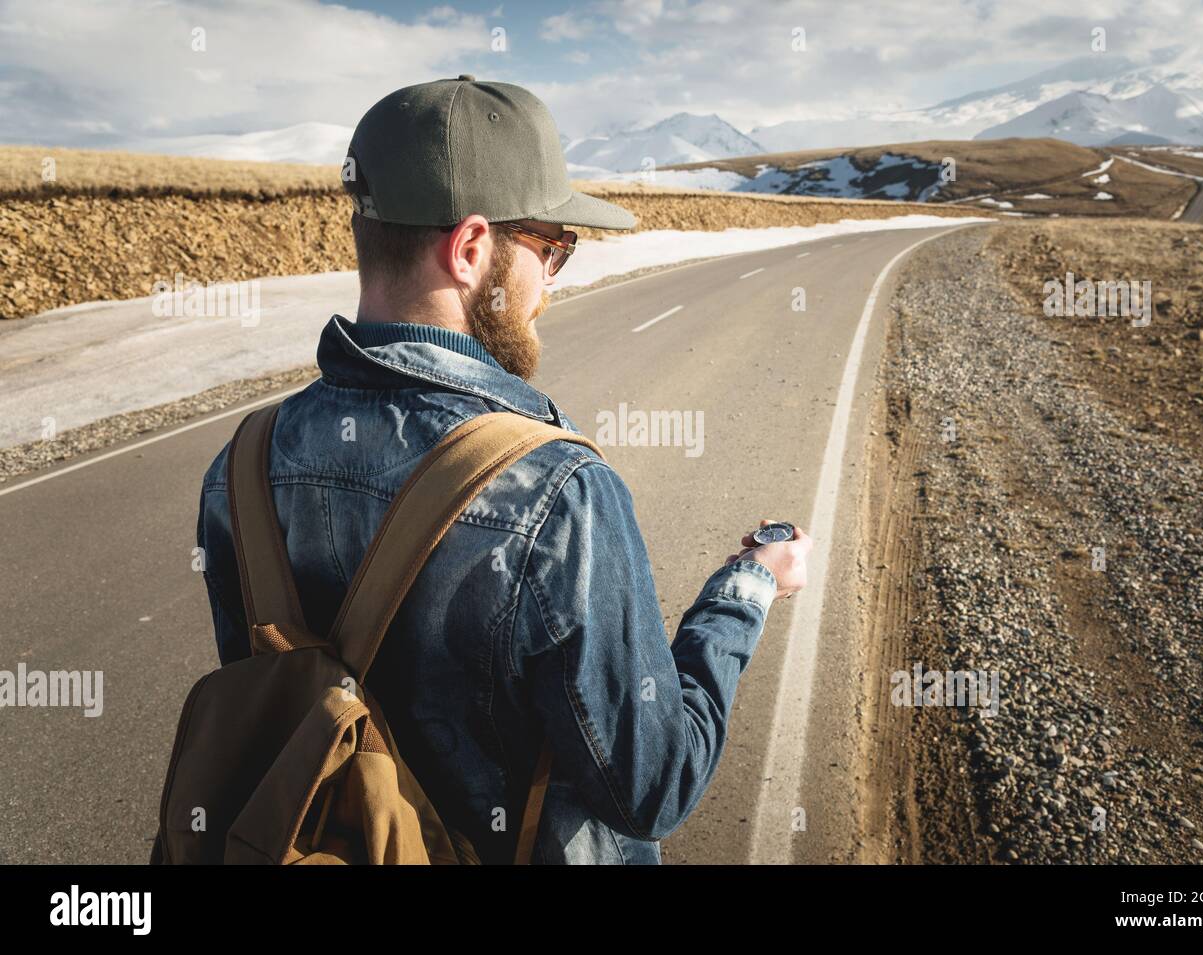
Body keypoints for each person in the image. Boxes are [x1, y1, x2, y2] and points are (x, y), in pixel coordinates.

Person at [196, 76, 812, 864]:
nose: (551, 282)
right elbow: (652, 787)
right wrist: (746, 589)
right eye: (551, 249)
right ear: (471, 249)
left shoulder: (239, 468)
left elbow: (277, 712)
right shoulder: (556, 491)